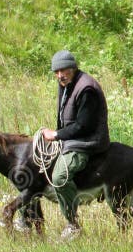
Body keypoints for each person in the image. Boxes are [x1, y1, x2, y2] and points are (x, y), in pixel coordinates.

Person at [41, 50, 110, 239]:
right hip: (71, 140)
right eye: (56, 71)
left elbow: (83, 126)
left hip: (87, 142)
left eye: (63, 70)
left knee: (59, 177)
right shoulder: (66, 83)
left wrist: (56, 135)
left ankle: (73, 224)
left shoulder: (86, 88)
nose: (60, 75)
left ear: (73, 68)